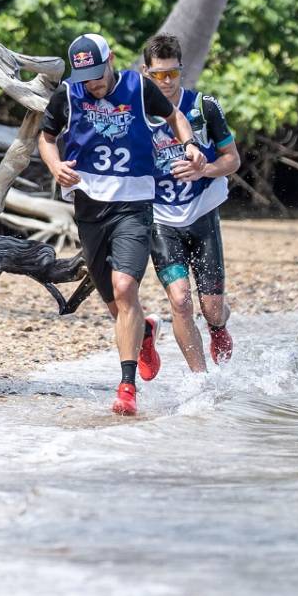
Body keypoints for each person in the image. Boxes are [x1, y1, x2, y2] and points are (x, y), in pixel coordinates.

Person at [39, 32, 197, 416]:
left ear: (109, 61)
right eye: (86, 78)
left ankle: (126, 388)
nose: (93, 83)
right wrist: (54, 164)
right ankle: (144, 333)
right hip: (89, 205)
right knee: (114, 303)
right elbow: (45, 136)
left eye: (97, 73)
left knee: (125, 288)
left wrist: (190, 145)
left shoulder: (138, 87)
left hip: (134, 202)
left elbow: (173, 115)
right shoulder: (68, 95)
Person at [141, 33, 242, 371]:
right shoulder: (135, 113)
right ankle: (201, 380)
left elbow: (233, 159)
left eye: (173, 73)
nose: (166, 81)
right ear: (146, 72)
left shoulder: (203, 107)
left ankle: (218, 327)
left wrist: (204, 171)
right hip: (161, 218)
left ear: (181, 70)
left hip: (201, 213)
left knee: (212, 307)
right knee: (181, 300)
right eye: (159, 75)